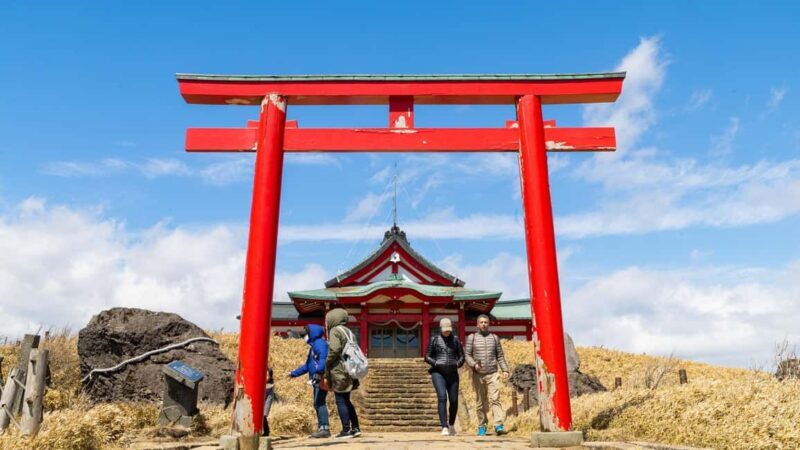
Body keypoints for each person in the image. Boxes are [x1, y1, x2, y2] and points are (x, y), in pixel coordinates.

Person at [464, 314, 510, 436]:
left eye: (486, 322)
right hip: (478, 374)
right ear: (477, 324)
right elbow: (467, 355)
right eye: (481, 322)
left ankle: (498, 425)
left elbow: (500, 356)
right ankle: (482, 426)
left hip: (492, 373)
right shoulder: (471, 338)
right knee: (480, 401)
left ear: (488, 324)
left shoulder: (494, 338)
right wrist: (474, 365)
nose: (484, 324)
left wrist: (505, 370)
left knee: (495, 399)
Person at [324, 308, 362, 439]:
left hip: (339, 369)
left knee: (340, 400)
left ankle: (346, 430)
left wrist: (327, 362)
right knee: (347, 400)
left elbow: (335, 349)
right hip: (350, 369)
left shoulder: (335, 331)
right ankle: (355, 428)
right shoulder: (349, 332)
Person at [288, 324, 331, 438]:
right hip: (315, 378)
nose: (305, 336)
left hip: (319, 377)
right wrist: (293, 373)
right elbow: (307, 365)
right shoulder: (313, 346)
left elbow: (323, 358)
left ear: (312, 334)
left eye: (306, 334)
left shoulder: (320, 344)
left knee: (319, 403)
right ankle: (321, 427)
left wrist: (319, 372)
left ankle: (324, 428)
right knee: (317, 403)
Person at [424, 317, 465, 436]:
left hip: (452, 373)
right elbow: (427, 356)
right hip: (438, 373)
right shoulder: (434, 339)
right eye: (445, 330)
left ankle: (451, 425)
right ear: (440, 328)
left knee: (454, 400)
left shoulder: (456, 340)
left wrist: (457, 364)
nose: (447, 332)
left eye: (449, 330)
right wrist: (436, 363)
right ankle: (444, 426)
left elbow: (461, 356)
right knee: (442, 397)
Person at [263, 367, 275, 437]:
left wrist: (266, 410)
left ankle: (266, 432)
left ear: (270, 377)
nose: (265, 377)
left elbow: (269, 398)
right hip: (257, 404)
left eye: (267, 376)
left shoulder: (270, 386)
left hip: (265, 402)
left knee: (263, 417)